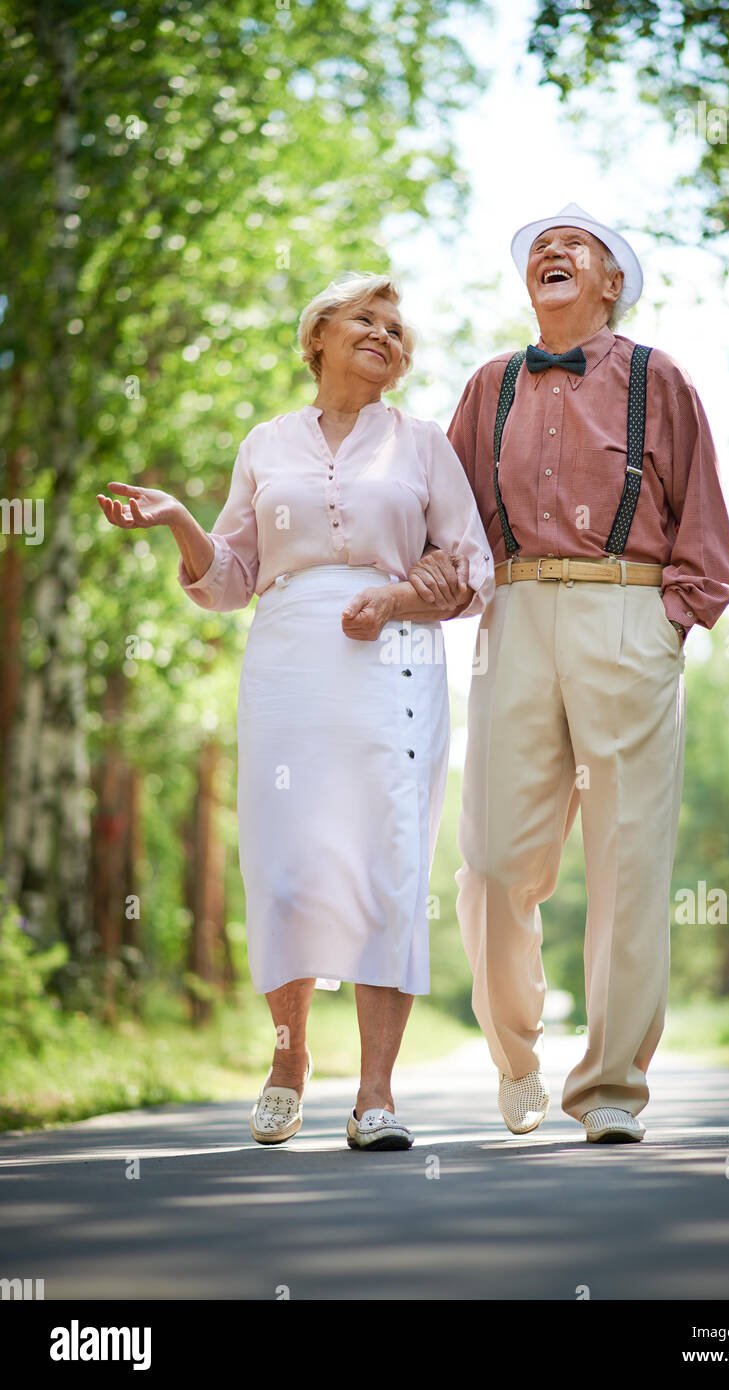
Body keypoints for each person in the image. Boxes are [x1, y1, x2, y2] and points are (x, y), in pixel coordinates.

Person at [97, 271, 494, 1152]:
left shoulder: (424, 443)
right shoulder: (264, 444)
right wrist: (178, 522)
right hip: (286, 656)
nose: (386, 336)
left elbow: (472, 568)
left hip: (393, 659)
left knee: (388, 862)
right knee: (284, 866)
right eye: (366, 319)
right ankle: (288, 1061)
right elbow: (229, 578)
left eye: (398, 329)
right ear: (316, 335)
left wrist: (394, 600)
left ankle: (377, 1096)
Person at [408, 202, 729, 1143]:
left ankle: (609, 1092)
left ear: (610, 285)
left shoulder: (656, 377)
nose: (552, 252)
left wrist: (665, 625)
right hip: (511, 618)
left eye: (576, 246)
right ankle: (516, 1060)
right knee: (491, 867)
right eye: (539, 248)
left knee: (628, 862)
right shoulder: (488, 385)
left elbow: (706, 530)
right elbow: (449, 525)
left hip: (626, 615)